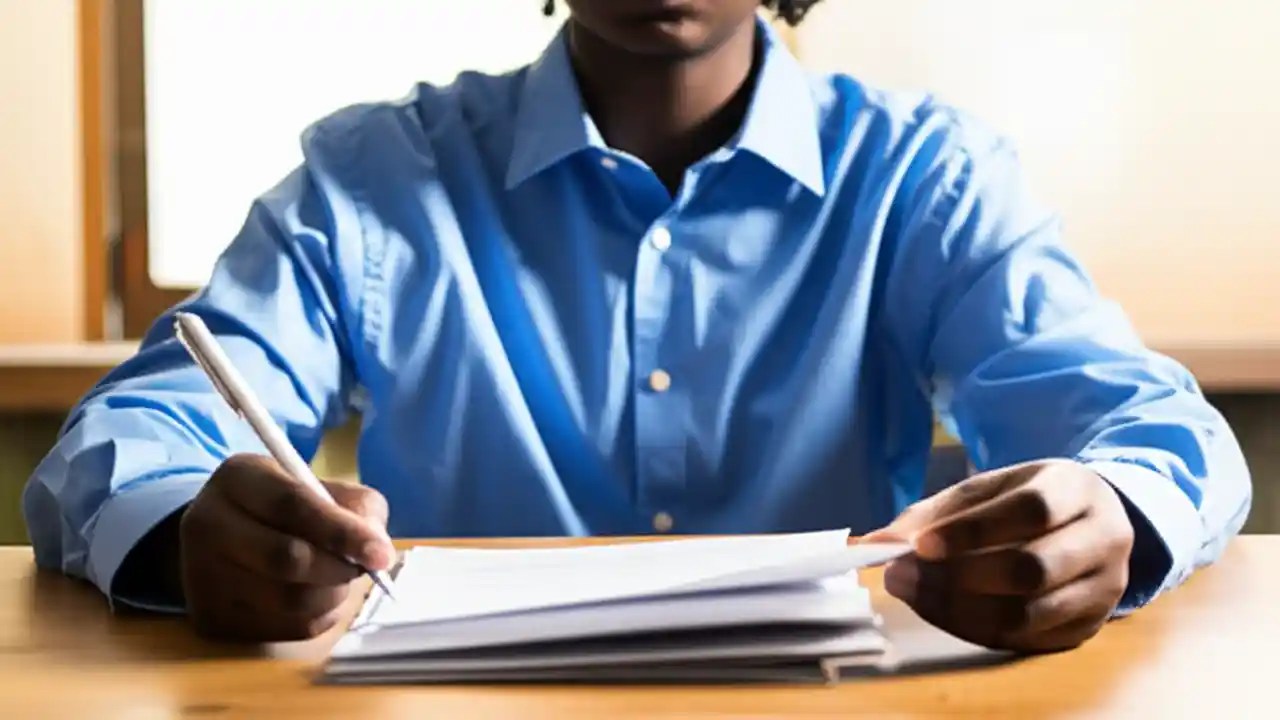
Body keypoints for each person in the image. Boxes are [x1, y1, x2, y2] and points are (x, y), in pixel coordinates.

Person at [25, 0, 1250, 650]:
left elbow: (1144, 426)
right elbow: (133, 431)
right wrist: (191, 530)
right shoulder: (373, 179)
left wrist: (1117, 512)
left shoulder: (923, 177)